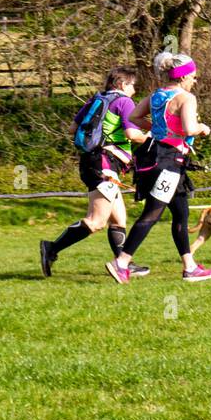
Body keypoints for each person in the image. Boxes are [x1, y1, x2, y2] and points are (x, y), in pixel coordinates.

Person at [112, 50, 211, 283]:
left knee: (181, 213)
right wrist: (203, 128)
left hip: (157, 158)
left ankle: (189, 267)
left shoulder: (157, 95)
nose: (195, 80)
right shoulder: (186, 98)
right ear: (182, 76)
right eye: (193, 76)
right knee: (151, 213)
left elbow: (135, 118)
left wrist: (159, 129)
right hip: (169, 163)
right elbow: (189, 129)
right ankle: (121, 263)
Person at [40, 66, 149, 278]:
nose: (135, 90)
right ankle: (51, 248)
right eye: (133, 85)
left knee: (118, 220)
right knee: (96, 220)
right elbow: (132, 134)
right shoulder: (124, 102)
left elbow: (73, 129)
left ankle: (123, 263)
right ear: (123, 84)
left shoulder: (96, 99)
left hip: (92, 161)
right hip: (105, 164)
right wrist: (155, 137)